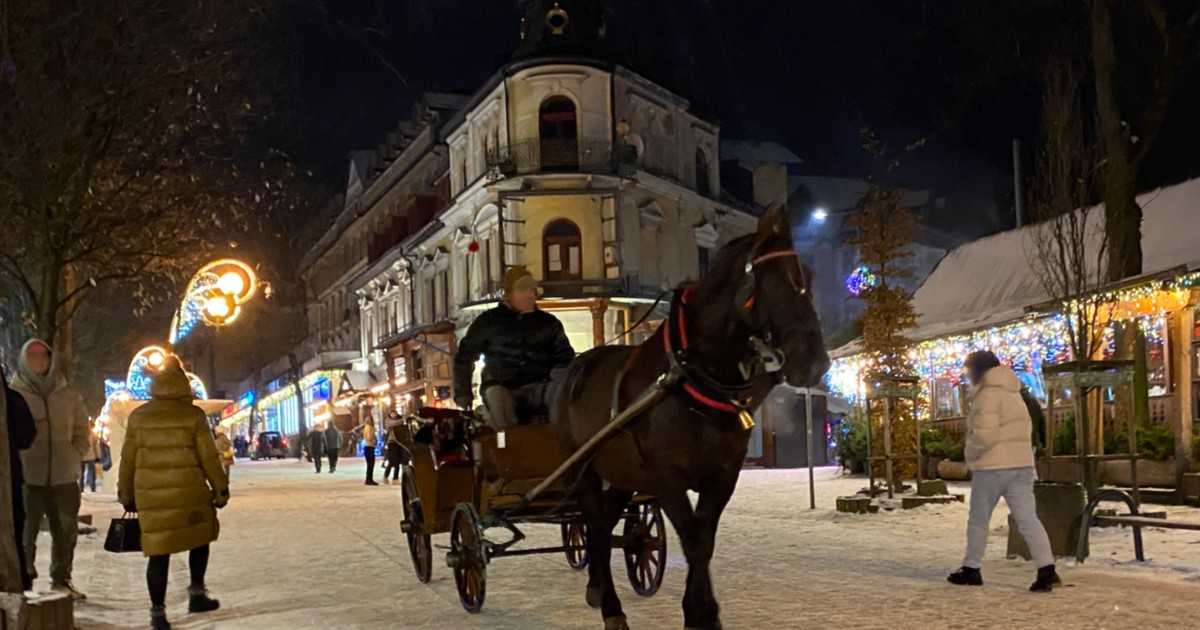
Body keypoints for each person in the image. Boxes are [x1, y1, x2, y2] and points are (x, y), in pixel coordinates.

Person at [119, 357, 228, 630]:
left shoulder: (139, 417)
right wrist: (220, 489)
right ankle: (197, 594)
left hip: (151, 499)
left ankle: (157, 613)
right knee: (199, 538)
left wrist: (125, 493)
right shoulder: (193, 416)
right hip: (189, 494)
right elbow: (209, 458)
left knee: (158, 553)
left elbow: (128, 460)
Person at [948, 351, 1060, 593]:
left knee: (978, 519)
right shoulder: (1014, 393)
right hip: (1021, 465)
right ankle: (1046, 568)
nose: (968, 377)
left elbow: (985, 435)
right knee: (1028, 519)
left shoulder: (987, 394)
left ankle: (971, 568)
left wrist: (970, 454)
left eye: (969, 371)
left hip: (993, 467)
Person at [10, 339, 89, 599]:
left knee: (66, 532)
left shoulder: (68, 394)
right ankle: (24, 580)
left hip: (63, 476)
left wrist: (74, 454)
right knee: (24, 535)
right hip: (27, 476)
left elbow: (80, 430)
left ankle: (61, 579)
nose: (38, 361)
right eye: (32, 356)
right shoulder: (14, 394)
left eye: (43, 356)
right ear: (24, 359)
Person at [452, 266, 575, 427]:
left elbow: (564, 357)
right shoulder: (489, 322)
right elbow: (464, 356)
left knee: (558, 403)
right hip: (502, 386)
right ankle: (506, 445)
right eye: (523, 290)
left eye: (532, 290)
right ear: (510, 293)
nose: (530, 295)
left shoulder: (548, 323)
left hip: (539, 386)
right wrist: (463, 394)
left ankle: (556, 443)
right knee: (501, 409)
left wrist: (557, 381)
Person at [2, 363, 36, 591]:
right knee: (14, 530)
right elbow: (26, 436)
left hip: (11, 479)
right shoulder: (13, 399)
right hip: (10, 478)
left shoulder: (13, 400)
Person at [382, 413, 403, 485]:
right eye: (392, 413)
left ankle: (395, 478)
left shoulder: (400, 420)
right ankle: (386, 475)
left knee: (398, 461)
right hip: (391, 442)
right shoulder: (388, 421)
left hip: (399, 442)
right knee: (392, 461)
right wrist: (401, 421)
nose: (394, 415)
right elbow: (390, 425)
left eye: (395, 413)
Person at [81, 423, 100, 493]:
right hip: (91, 456)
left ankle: (81, 487)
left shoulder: (80, 434)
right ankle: (93, 487)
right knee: (92, 472)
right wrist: (98, 456)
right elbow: (96, 446)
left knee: (81, 473)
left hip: (82, 455)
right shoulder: (92, 434)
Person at [358, 418, 378, 485]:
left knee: (369, 464)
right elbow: (369, 437)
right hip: (370, 446)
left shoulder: (366, 427)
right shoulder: (369, 428)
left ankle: (369, 479)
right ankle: (369, 479)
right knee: (370, 465)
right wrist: (374, 441)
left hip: (368, 447)